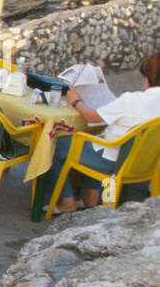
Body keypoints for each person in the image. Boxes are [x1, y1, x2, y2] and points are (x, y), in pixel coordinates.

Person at [53, 52, 160, 214]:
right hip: (144, 164)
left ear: (147, 75)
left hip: (112, 162)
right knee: (100, 138)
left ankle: (66, 201)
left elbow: (91, 117)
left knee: (53, 143)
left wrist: (75, 101)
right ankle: (91, 195)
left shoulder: (132, 100)